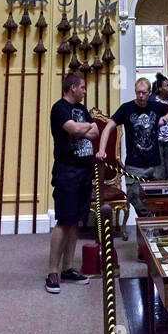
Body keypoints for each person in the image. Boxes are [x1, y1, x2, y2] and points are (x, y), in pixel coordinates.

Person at [46, 70, 100, 293]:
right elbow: (76, 128)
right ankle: (52, 271)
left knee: (76, 221)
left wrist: (83, 129)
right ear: (72, 88)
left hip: (85, 171)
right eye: (83, 88)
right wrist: (83, 128)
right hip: (66, 172)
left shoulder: (81, 109)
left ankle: (68, 268)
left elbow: (95, 131)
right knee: (64, 221)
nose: (85, 91)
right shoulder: (60, 108)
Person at [96, 77, 168, 216]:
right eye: (138, 92)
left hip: (154, 165)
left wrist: (164, 120)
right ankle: (149, 224)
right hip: (135, 165)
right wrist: (101, 150)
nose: (140, 96)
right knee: (134, 196)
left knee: (156, 200)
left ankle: (153, 228)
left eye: (143, 93)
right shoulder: (126, 108)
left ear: (149, 93)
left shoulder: (156, 106)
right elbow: (107, 128)